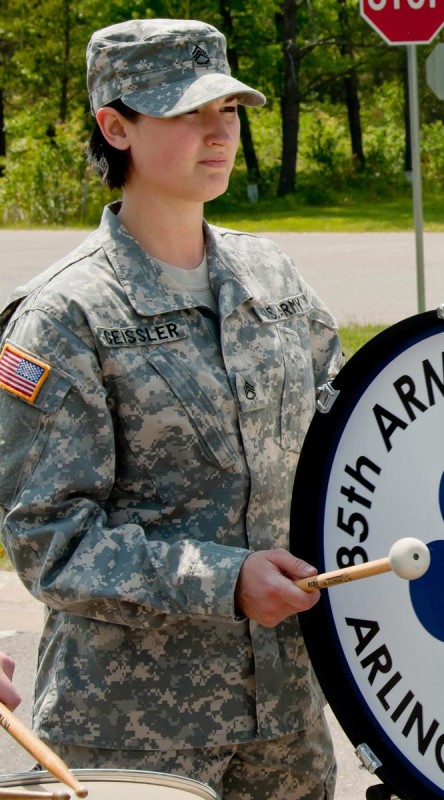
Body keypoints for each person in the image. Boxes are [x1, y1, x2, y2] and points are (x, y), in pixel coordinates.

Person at [0, 19, 341, 799]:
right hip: (131, 730)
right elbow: (51, 541)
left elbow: (344, 431)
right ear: (114, 126)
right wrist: (224, 580)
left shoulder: (271, 278)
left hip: (285, 719)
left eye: (228, 110)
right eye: (185, 112)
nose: (217, 132)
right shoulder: (66, 315)